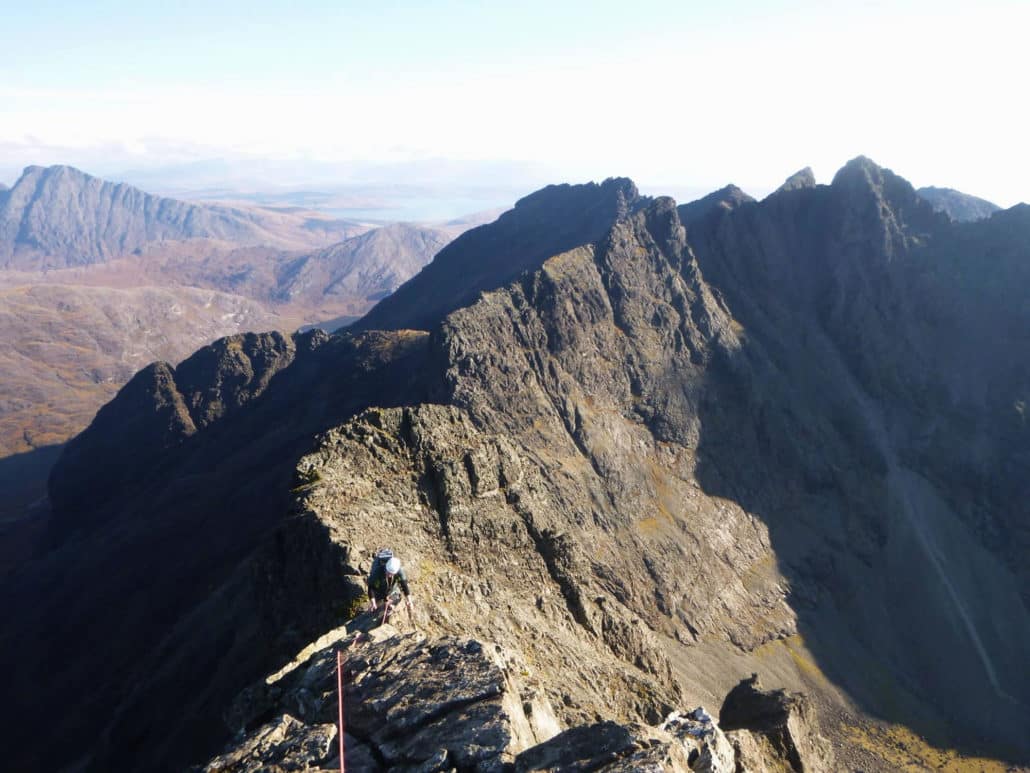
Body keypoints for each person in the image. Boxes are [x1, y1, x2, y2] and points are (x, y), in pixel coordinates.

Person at [367, 551, 413, 615]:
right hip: (379, 589)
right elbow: (371, 588)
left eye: (392, 574)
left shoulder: (399, 572)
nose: (389, 575)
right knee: (378, 604)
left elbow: (404, 585)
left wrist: (409, 600)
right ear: (386, 568)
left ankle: (389, 603)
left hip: (391, 588)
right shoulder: (378, 572)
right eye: (388, 573)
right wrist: (373, 603)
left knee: (396, 595)